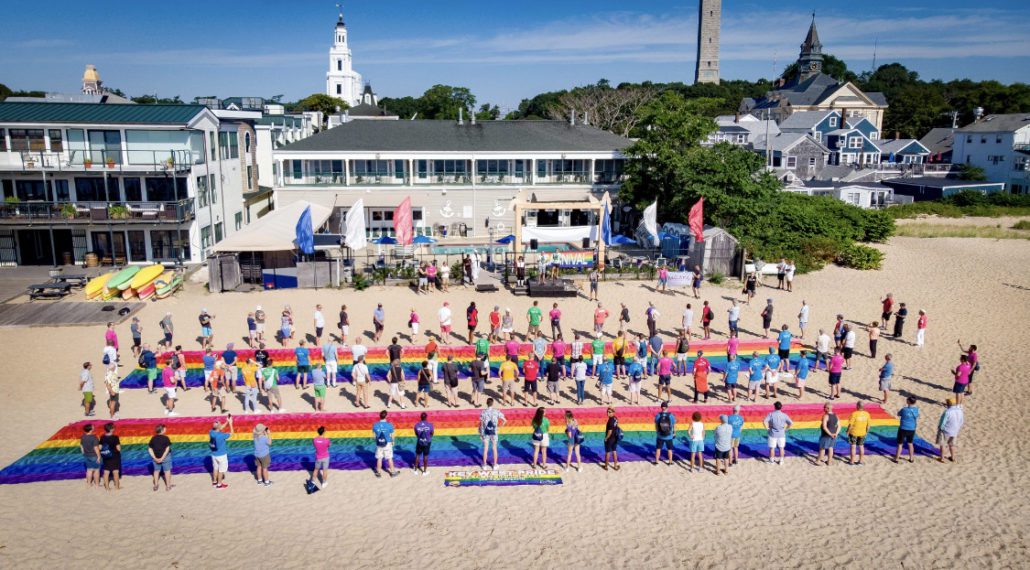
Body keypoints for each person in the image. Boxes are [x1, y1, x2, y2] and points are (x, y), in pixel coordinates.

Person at [479, 399, 507, 470]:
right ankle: (494, 465)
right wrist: (500, 427)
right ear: (492, 403)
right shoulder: (496, 411)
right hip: (494, 432)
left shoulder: (483, 412)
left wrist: (481, 433)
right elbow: (504, 420)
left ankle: (484, 465)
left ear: (486, 403)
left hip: (486, 432)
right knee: (494, 448)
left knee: (485, 449)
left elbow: (481, 424)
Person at [936, 398, 964, 462]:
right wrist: (957, 428)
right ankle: (953, 458)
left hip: (946, 430)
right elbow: (962, 421)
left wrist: (940, 428)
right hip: (955, 430)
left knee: (943, 444)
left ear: (948, 404)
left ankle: (942, 458)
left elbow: (942, 422)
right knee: (952, 445)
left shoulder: (947, 412)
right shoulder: (960, 411)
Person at [372, 411, 399, 478]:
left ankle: (378, 473)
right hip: (387, 443)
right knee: (389, 458)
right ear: (386, 416)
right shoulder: (389, 425)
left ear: (380, 416)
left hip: (379, 443)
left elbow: (373, 436)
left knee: (379, 458)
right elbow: (393, 435)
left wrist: (377, 441)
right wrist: (393, 441)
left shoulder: (375, 425)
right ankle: (392, 472)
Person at [209, 415, 233, 489]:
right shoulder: (222, 435)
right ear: (218, 427)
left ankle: (214, 482)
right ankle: (219, 484)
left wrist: (227, 421)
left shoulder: (211, 432)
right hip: (221, 455)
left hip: (214, 454)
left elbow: (220, 427)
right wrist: (231, 423)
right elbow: (231, 433)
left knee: (215, 468)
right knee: (221, 471)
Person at [148, 424, 172, 492]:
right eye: (165, 429)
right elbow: (167, 449)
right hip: (165, 457)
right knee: (167, 471)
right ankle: (168, 486)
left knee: (156, 471)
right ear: (162, 430)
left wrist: (154, 457)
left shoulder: (153, 438)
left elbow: (150, 449)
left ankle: (156, 485)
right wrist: (162, 458)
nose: (166, 430)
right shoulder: (166, 438)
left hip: (156, 457)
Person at [895, 397, 919, 463]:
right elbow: (917, 416)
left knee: (900, 444)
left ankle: (896, 458)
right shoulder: (916, 410)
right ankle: (911, 458)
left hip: (903, 428)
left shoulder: (904, 409)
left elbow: (898, 414)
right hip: (912, 428)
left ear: (908, 402)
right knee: (910, 443)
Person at [847, 401, 871, 466]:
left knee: (853, 446)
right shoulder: (867, 414)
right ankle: (860, 461)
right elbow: (868, 426)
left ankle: (852, 461)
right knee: (861, 446)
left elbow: (850, 425)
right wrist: (866, 432)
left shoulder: (854, 414)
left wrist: (847, 431)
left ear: (857, 406)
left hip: (854, 432)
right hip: (863, 433)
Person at [99, 422, 122, 490]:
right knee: (115, 472)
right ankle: (117, 487)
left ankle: (107, 487)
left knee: (106, 472)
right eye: (113, 427)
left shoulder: (102, 437)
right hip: (114, 456)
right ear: (111, 429)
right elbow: (118, 448)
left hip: (106, 455)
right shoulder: (115, 437)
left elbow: (100, 447)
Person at [654, 401, 676, 466]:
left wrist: (657, 431)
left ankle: (656, 462)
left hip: (660, 435)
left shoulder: (658, 415)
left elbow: (656, 425)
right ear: (667, 408)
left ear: (661, 408)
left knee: (658, 449)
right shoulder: (671, 415)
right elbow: (674, 425)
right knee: (669, 449)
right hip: (669, 435)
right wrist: (674, 433)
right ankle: (670, 462)